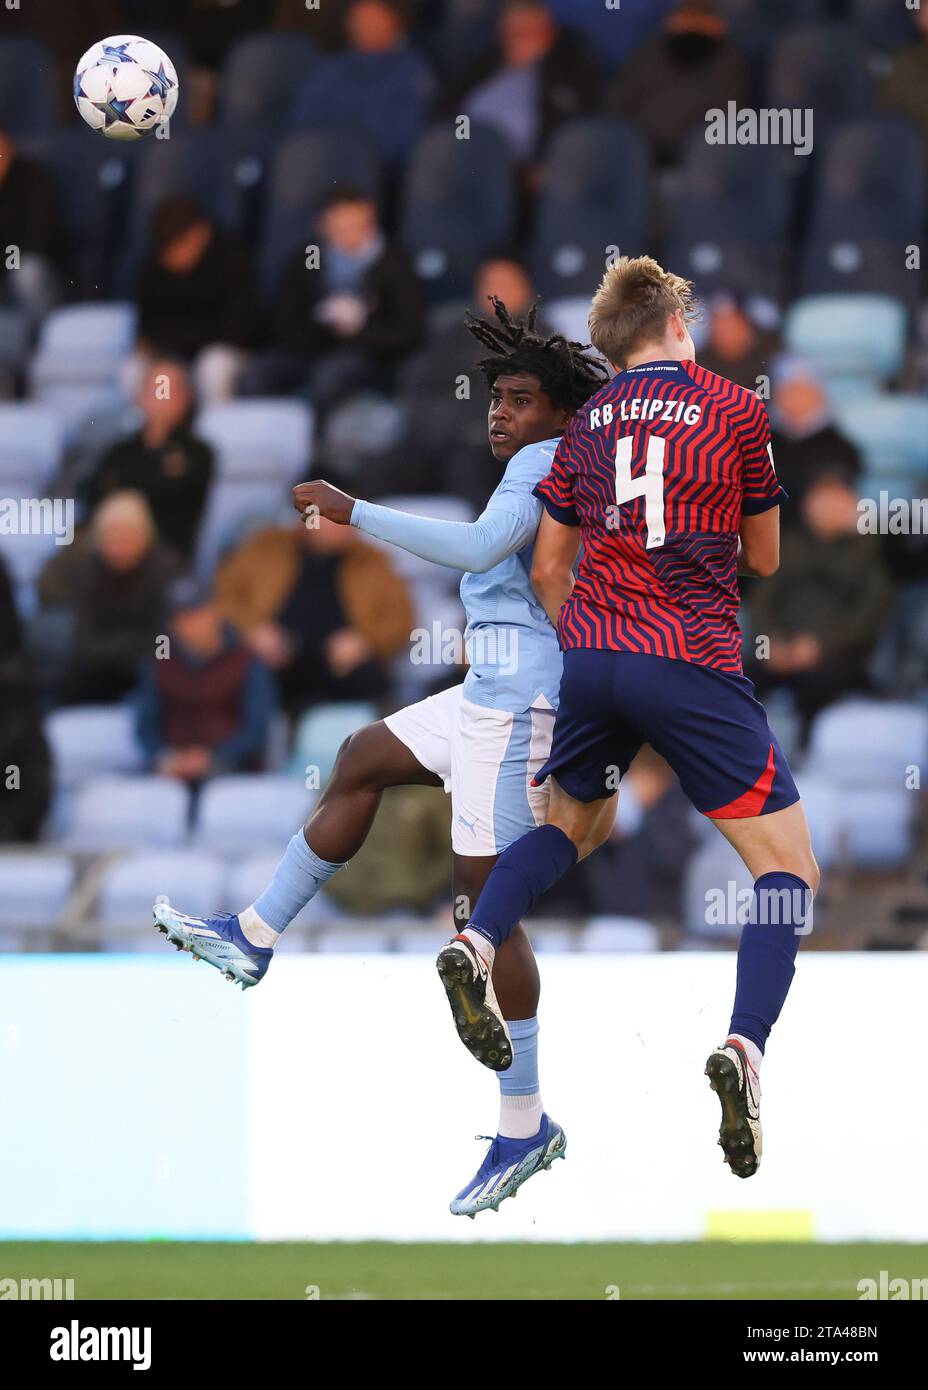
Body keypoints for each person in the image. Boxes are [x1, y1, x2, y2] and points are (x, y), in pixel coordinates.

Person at [153, 298, 608, 1217]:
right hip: (491, 691)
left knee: (488, 917)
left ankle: (524, 1125)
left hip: (519, 710)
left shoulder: (547, 461)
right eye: (497, 397)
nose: (502, 412)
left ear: (560, 411)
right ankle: (254, 936)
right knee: (361, 756)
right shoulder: (551, 458)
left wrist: (351, 509)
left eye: (521, 398)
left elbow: (481, 546)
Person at [439, 256, 819, 1185]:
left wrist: (590, 635)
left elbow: (545, 568)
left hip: (595, 657)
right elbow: (764, 558)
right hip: (689, 658)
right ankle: (746, 1049)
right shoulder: (734, 407)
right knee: (786, 868)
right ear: (678, 321)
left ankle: (476, 941)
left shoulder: (586, 424)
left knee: (574, 826)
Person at [241, 187, 425, 413]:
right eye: (341, 229)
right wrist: (322, 321)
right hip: (309, 348)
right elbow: (283, 321)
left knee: (331, 377)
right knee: (256, 376)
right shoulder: (307, 259)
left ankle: (317, 445)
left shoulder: (396, 263)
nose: (351, 237)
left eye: (360, 227)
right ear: (323, 226)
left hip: (368, 355)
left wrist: (358, 331)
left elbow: (409, 331)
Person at [215, 512, 414, 716]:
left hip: (341, 666)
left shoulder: (372, 560)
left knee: (369, 679)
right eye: (336, 516)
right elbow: (225, 595)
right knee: (242, 673)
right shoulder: (268, 546)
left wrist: (365, 640)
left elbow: (401, 617)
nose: (346, 525)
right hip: (275, 659)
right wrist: (253, 628)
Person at [747, 472, 893, 738]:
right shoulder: (787, 544)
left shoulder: (871, 550)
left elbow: (868, 615)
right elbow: (762, 601)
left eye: (835, 502)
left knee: (819, 682)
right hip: (780, 646)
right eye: (819, 501)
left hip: (837, 653)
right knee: (735, 677)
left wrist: (820, 646)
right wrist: (771, 642)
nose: (826, 510)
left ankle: (806, 752)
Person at [38, 491, 181, 706]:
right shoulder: (86, 569)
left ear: (145, 536)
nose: (120, 544)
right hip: (99, 668)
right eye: (112, 536)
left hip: (150, 665)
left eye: (128, 535)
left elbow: (165, 641)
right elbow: (84, 643)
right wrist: (130, 646)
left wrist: (133, 650)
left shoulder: (166, 570)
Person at [136, 577, 276, 784]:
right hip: (171, 772)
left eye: (197, 614)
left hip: (234, 772)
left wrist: (214, 757)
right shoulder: (159, 662)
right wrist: (167, 758)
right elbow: (146, 724)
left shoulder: (247, 661)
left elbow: (256, 730)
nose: (190, 624)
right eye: (180, 618)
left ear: (215, 612)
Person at [82, 359, 214, 562]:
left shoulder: (198, 453)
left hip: (163, 556)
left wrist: (126, 489)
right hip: (108, 553)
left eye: (168, 390)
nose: (161, 398)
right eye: (155, 389)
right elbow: (92, 492)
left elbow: (176, 495)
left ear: (186, 398)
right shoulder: (119, 451)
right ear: (139, 396)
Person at [136, 195, 258, 403]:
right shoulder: (154, 268)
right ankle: (154, 433)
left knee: (214, 367)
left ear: (200, 233)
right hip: (173, 355)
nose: (175, 255)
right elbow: (147, 328)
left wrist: (178, 340)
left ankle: (214, 433)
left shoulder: (233, 259)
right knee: (138, 370)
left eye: (180, 245)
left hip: (224, 352)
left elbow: (236, 331)